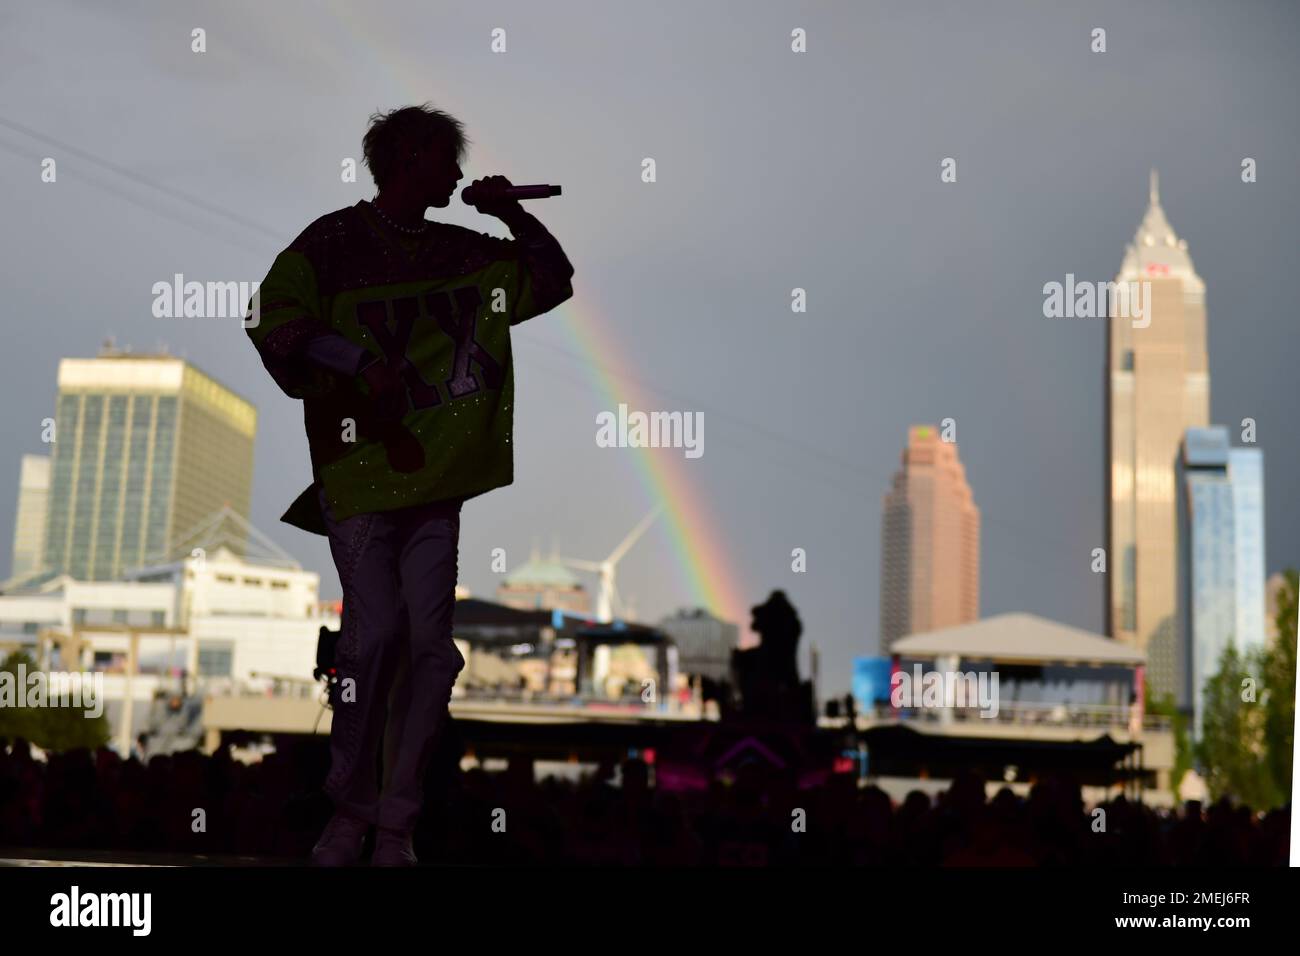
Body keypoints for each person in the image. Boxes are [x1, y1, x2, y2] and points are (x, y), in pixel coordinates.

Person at [245, 104, 574, 866]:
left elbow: (551, 281)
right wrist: (359, 364)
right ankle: (352, 814)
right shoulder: (329, 242)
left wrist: (512, 214)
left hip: (432, 484)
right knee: (377, 637)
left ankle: (392, 824)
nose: (458, 176)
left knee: (430, 649)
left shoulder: (462, 248)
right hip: (358, 477)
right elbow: (270, 314)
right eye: (445, 160)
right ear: (407, 158)